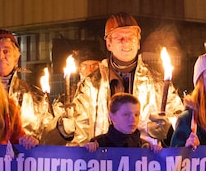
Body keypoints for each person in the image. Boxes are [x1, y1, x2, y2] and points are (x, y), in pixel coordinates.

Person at [59, 13, 180, 146]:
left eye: (131, 37)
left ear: (138, 42)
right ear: (109, 44)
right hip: (104, 161)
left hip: (145, 160)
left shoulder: (157, 82)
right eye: (119, 38)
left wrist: (168, 128)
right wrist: (65, 129)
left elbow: (179, 120)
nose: (126, 42)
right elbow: (79, 130)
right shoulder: (91, 84)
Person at [0, 29, 53, 141]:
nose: (1, 56)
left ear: (16, 59)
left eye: (6, 51)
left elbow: (50, 139)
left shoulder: (37, 97)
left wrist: (63, 130)